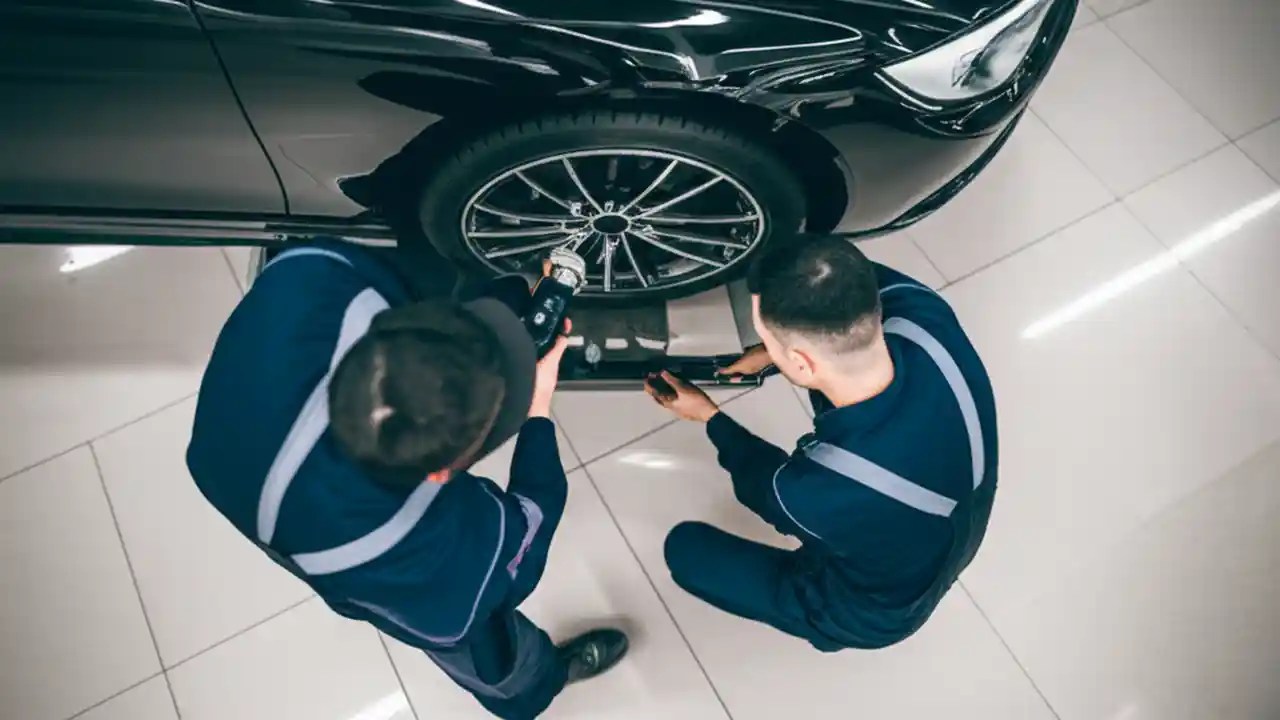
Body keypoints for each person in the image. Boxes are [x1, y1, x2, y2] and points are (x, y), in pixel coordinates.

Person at [187, 239, 627, 720]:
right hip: (352, 561)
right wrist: (538, 411)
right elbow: (528, 528)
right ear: (440, 473)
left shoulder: (309, 275)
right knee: (484, 648)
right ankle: (536, 686)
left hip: (231, 462)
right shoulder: (417, 557)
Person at [646, 235, 998, 650]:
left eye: (769, 340)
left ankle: (825, 626)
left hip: (872, 611)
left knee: (686, 551)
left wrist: (707, 415)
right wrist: (773, 353)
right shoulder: (921, 312)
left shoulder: (809, 490)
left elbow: (760, 479)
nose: (766, 347)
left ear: (801, 361)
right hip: (954, 530)